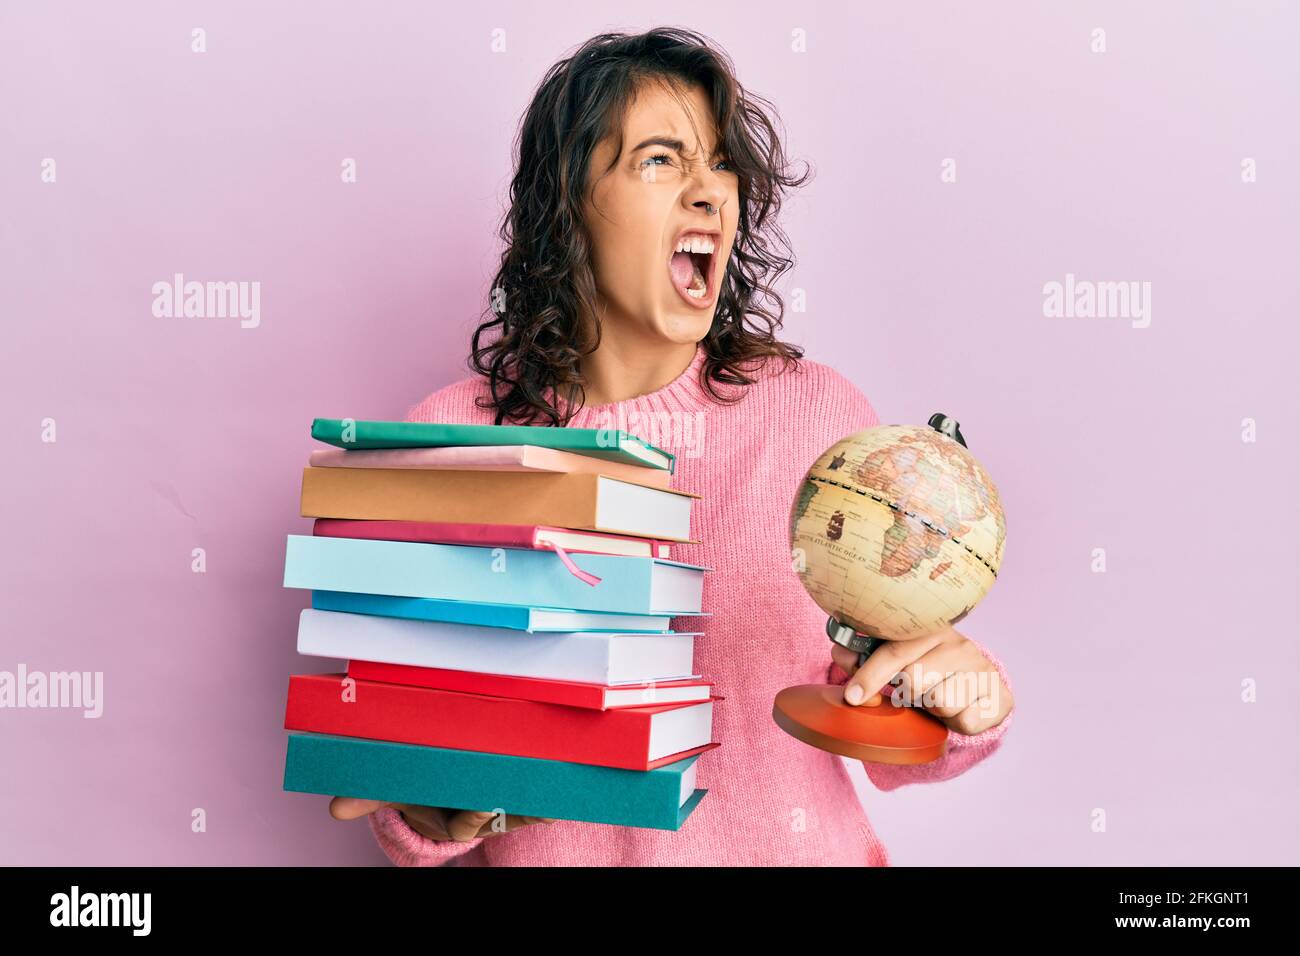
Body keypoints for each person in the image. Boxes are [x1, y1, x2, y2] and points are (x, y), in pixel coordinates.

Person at [329, 27, 1015, 866]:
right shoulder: (454, 443)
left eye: (720, 164)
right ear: (568, 205)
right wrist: (435, 815)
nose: (710, 193)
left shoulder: (821, 422)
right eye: (660, 160)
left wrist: (952, 699)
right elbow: (406, 786)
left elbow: (876, 716)